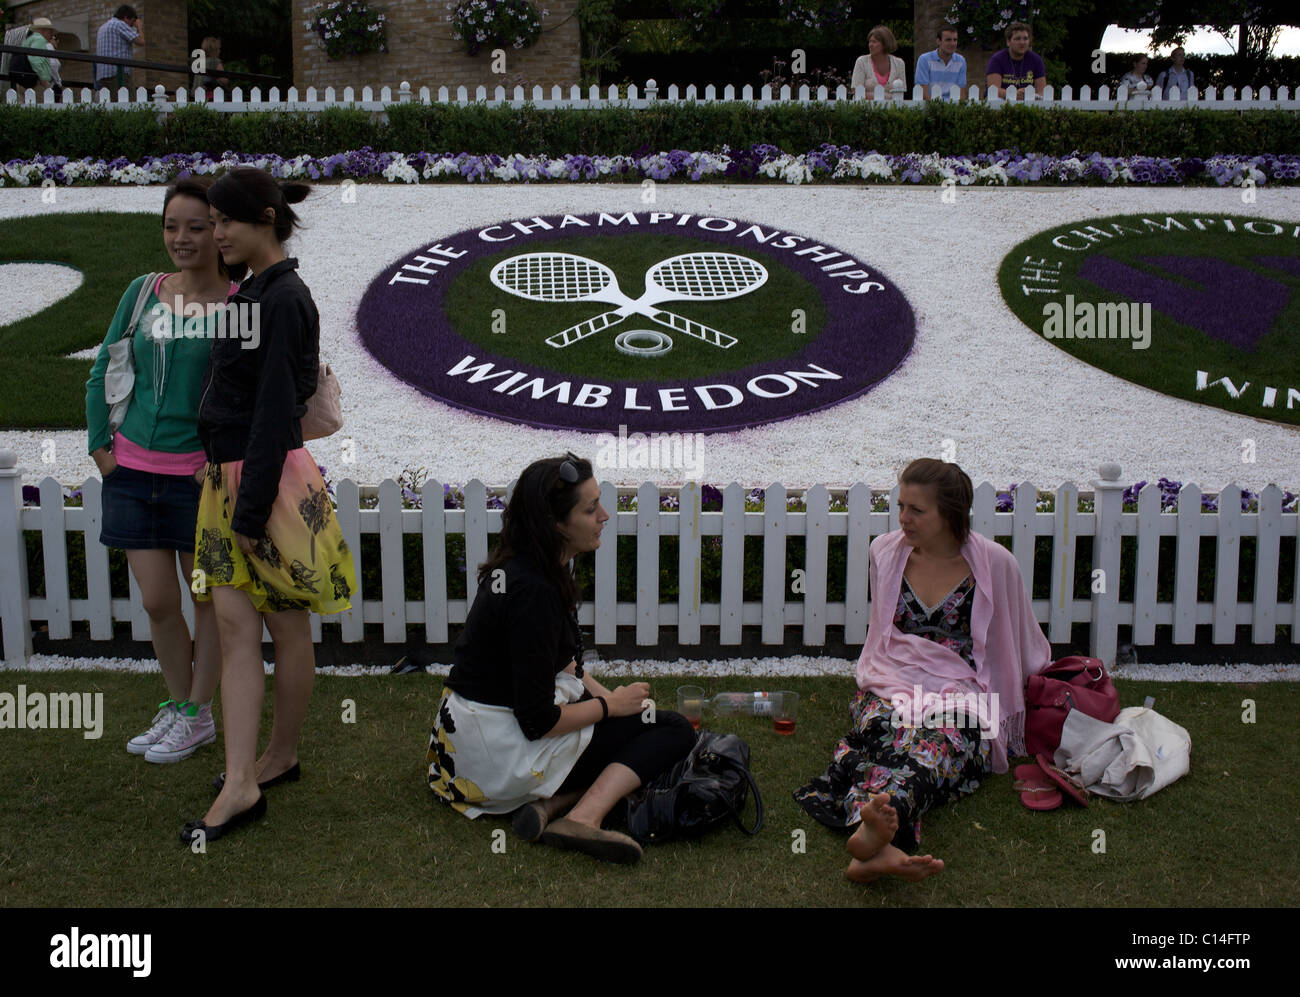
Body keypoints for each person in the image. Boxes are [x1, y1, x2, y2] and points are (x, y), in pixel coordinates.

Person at [182, 166, 356, 846]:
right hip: (235, 479)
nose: (213, 233)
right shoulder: (256, 290)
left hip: (264, 484)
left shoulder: (284, 298)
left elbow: (276, 409)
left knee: (283, 627)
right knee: (234, 631)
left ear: (262, 218)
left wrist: (250, 512)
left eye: (223, 221)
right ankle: (243, 777)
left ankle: (274, 758)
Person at [426, 454, 696, 865]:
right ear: (555, 523)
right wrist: (610, 707)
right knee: (673, 731)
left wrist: (617, 706)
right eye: (590, 509)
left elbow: (556, 664)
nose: (605, 515)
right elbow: (538, 722)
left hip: (462, 748)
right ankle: (583, 817)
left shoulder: (528, 568)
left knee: (643, 727)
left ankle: (551, 807)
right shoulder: (535, 593)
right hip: (498, 758)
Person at [794, 458, 1050, 884]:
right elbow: (885, 633)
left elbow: (1016, 636)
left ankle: (872, 829)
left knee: (942, 744)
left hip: (963, 686)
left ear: (949, 512)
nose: (903, 519)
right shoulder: (886, 552)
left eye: (916, 510)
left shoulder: (997, 565)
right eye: (900, 506)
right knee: (882, 734)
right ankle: (881, 841)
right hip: (892, 675)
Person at [85, 177, 235, 765]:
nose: (183, 238)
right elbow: (105, 365)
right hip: (131, 472)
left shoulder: (235, 305)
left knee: (207, 601)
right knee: (155, 601)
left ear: (219, 233)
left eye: (197, 227)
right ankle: (178, 705)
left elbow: (241, 400)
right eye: (172, 226)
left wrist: (215, 463)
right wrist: (102, 448)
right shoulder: (142, 290)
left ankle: (199, 714)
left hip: (198, 481)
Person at [985, 21, 1046, 98]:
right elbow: (994, 90)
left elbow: (1042, 91)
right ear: (1008, 42)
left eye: (1025, 39)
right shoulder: (997, 60)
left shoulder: (1036, 60)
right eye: (1017, 39)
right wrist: (1015, 94)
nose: (1022, 42)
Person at [94, 5, 144, 93]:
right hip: (118, 74)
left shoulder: (103, 27)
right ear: (125, 18)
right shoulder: (120, 24)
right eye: (132, 22)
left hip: (102, 75)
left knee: (111, 104)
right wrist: (139, 27)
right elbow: (141, 42)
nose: (131, 26)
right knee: (127, 103)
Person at [851, 25, 906, 100]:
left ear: (885, 44)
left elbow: (901, 93)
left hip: (892, 110)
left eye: (874, 42)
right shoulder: (861, 62)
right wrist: (886, 97)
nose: (870, 45)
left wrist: (869, 94)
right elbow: (856, 91)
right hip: (864, 109)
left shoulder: (899, 63)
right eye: (869, 42)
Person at [7, 17, 57, 96]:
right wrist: (43, 78)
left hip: (17, 72)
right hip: (26, 73)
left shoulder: (30, 39)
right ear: (43, 31)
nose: (51, 35)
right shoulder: (40, 39)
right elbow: (35, 59)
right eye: (50, 32)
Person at [915, 25, 966, 100]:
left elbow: (962, 93)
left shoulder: (961, 61)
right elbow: (923, 92)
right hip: (930, 107)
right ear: (938, 41)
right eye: (948, 40)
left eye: (955, 40)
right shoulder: (925, 59)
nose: (952, 44)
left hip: (953, 108)